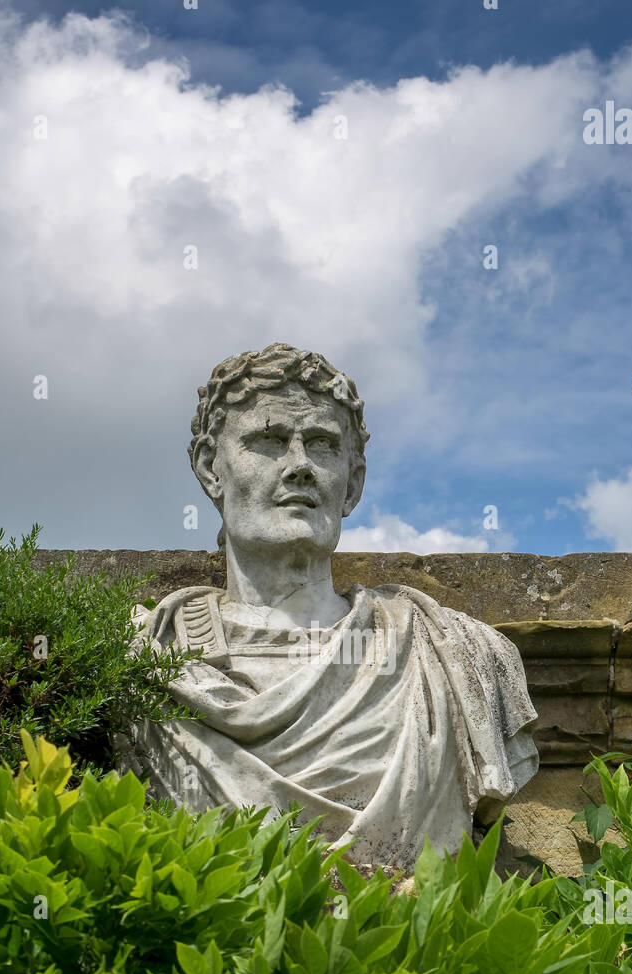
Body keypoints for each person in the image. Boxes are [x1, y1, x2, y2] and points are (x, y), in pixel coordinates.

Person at [120, 342, 539, 872]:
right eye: (269, 440)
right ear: (210, 468)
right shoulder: (143, 662)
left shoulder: (456, 656)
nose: (300, 466)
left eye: (320, 444)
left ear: (353, 481)